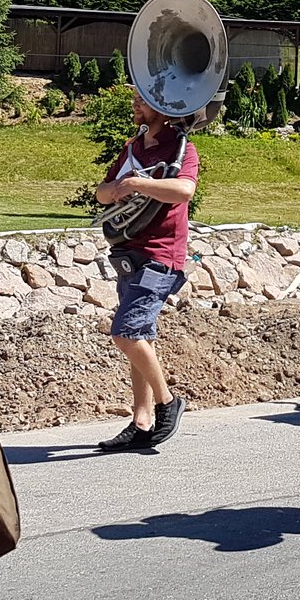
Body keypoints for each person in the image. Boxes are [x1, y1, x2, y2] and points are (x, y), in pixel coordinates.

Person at [92, 91, 199, 453]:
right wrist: (116, 191)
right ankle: (141, 422)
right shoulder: (131, 148)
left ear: (164, 107)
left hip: (160, 256)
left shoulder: (182, 149)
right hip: (128, 254)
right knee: (142, 338)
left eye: (143, 100)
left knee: (126, 333)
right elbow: (101, 192)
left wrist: (137, 183)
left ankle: (167, 403)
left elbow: (183, 190)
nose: (135, 105)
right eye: (135, 98)